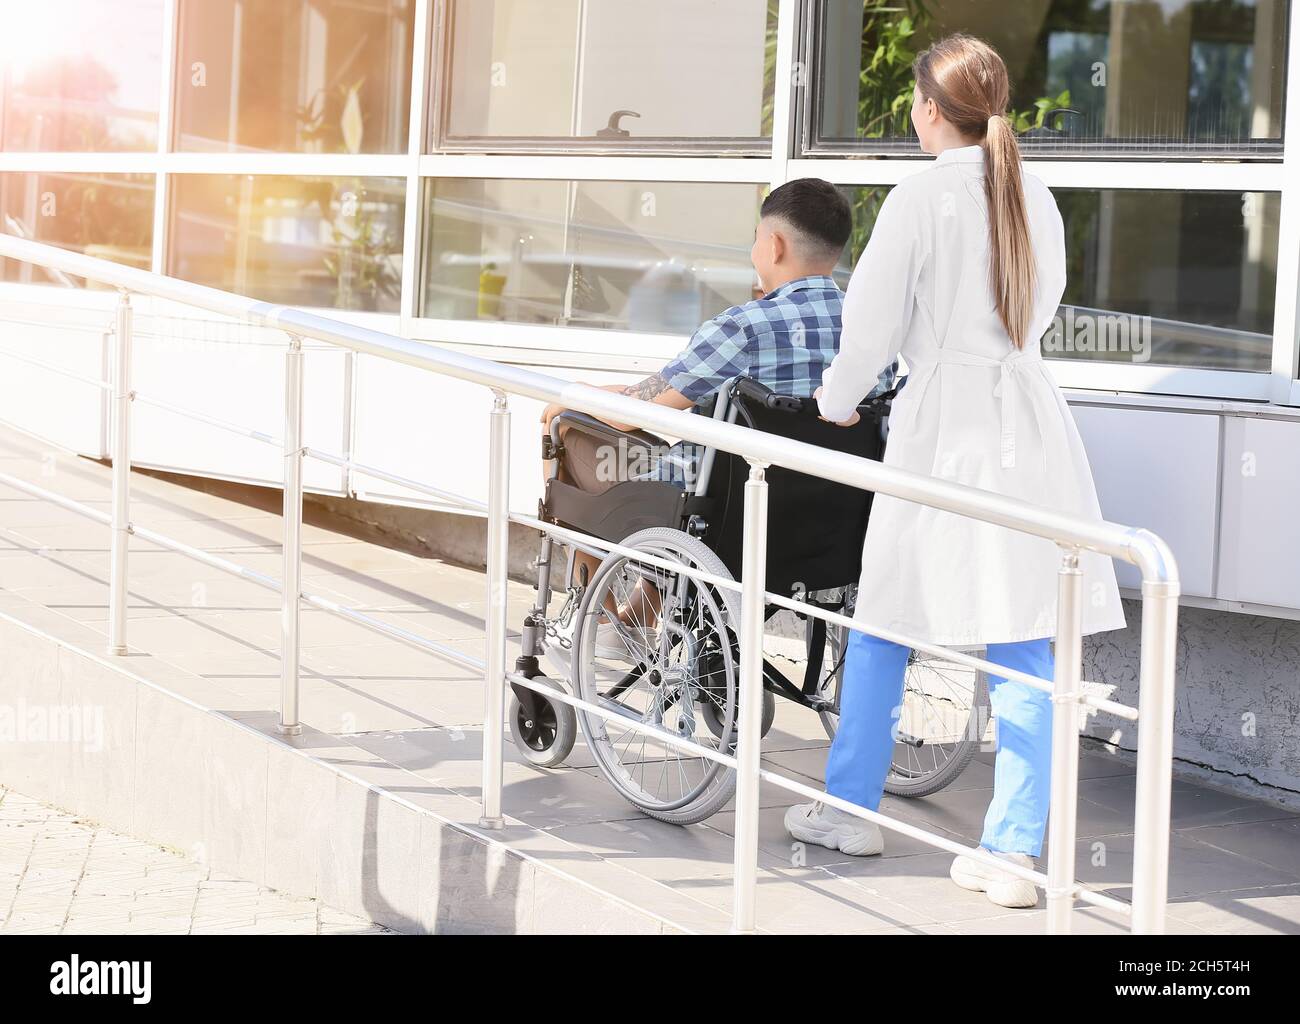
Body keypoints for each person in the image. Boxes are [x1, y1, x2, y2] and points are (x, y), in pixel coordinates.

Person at [784, 34, 1125, 910]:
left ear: (928, 109)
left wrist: (836, 397)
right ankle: (1010, 852)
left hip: (944, 428)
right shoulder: (1032, 192)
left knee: (887, 618)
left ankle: (850, 810)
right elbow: (1035, 310)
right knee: (1023, 638)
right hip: (1029, 423)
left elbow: (871, 323)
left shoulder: (921, 195)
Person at [539, 178, 895, 660]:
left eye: (755, 240)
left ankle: (594, 619)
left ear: (774, 245)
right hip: (836, 530)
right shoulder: (870, 333)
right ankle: (638, 618)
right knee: (697, 470)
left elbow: (638, 409)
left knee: (568, 430)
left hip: (729, 524)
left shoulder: (744, 327)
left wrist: (571, 397)